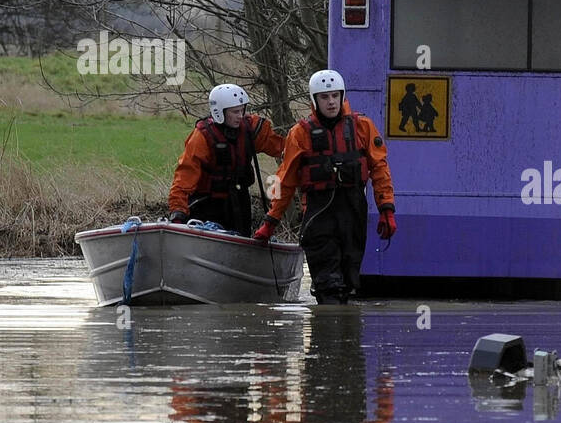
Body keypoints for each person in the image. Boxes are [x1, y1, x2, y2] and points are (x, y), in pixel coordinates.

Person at [253, 69, 396, 304]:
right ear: (314, 100)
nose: (331, 102)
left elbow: (380, 169)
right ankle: (327, 330)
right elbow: (284, 180)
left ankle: (345, 335)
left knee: (349, 283)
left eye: (334, 96)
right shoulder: (299, 134)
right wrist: (271, 220)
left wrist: (386, 209)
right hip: (318, 215)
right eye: (324, 97)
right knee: (328, 285)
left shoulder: (363, 127)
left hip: (352, 212)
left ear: (342, 96)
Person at [168, 84, 286, 237]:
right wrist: (178, 212)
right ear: (220, 112)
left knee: (241, 236)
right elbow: (184, 178)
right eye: (235, 112)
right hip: (207, 205)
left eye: (242, 110)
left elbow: (283, 147)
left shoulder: (250, 130)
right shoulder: (202, 137)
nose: (240, 116)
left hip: (239, 200)